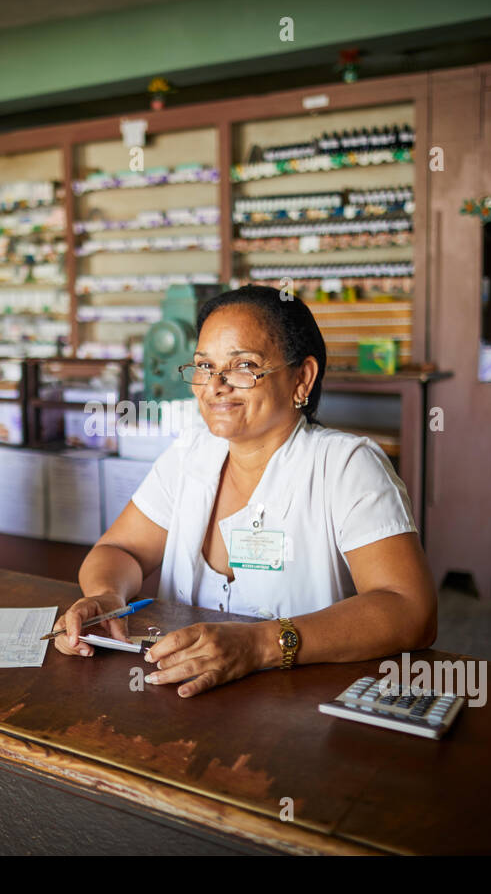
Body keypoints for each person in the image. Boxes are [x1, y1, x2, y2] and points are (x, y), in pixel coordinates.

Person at [51, 285, 437, 697]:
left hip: (301, 716)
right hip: (181, 700)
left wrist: (258, 645)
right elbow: (119, 550)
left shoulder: (345, 466)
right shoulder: (189, 455)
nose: (215, 386)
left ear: (302, 378)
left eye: (243, 366)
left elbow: (410, 610)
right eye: (204, 366)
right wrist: (107, 594)